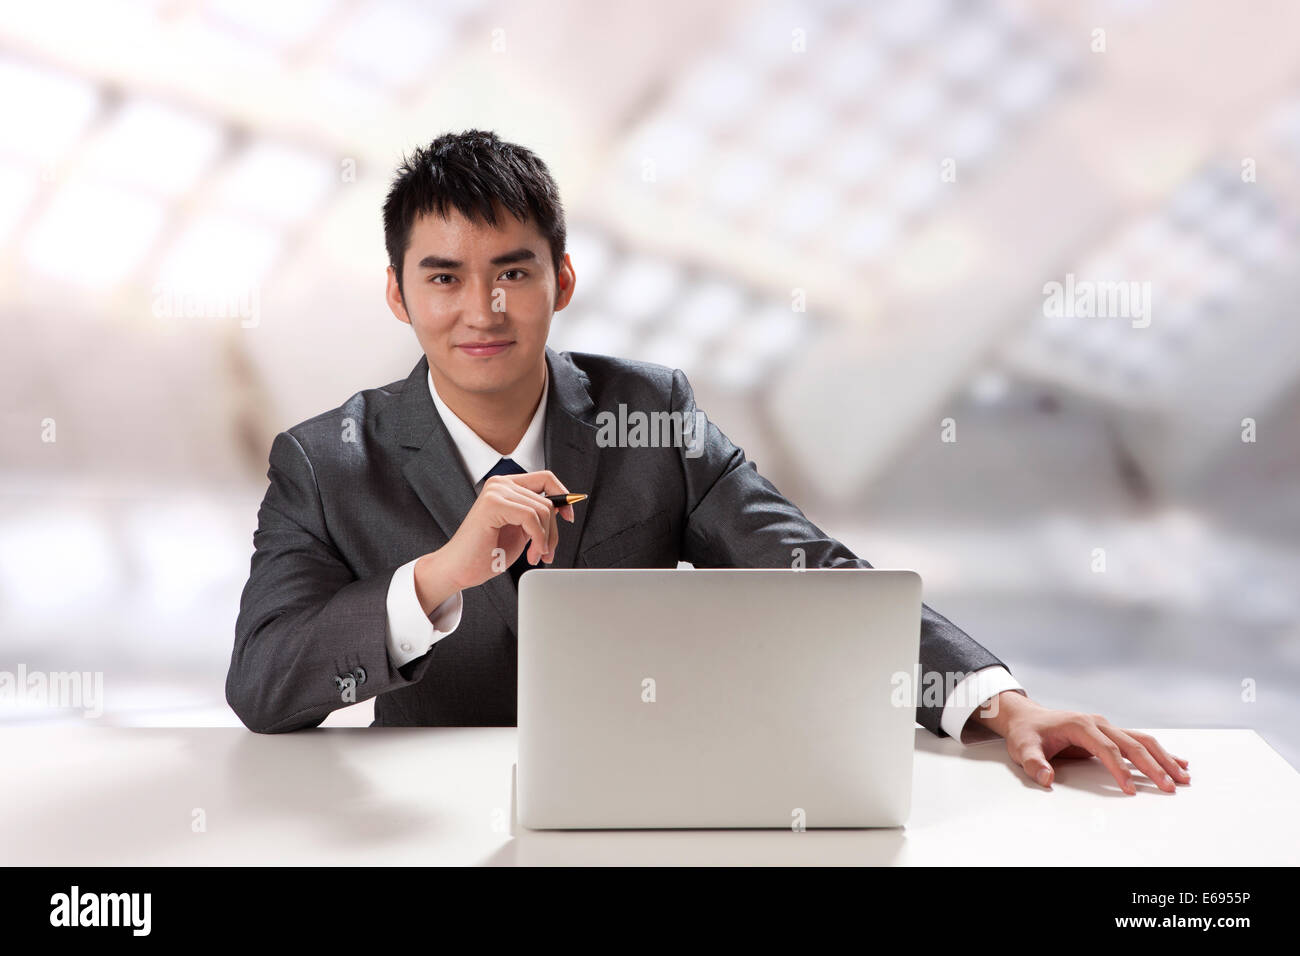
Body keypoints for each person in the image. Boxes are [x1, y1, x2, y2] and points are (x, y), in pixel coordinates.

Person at [227, 129, 1190, 796]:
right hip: (422, 834)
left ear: (560, 279)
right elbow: (264, 685)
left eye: (512, 272)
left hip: (644, 816)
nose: (481, 311)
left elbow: (812, 574)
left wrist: (998, 703)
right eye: (443, 278)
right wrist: (437, 577)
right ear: (397, 294)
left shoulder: (651, 416)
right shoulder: (326, 461)